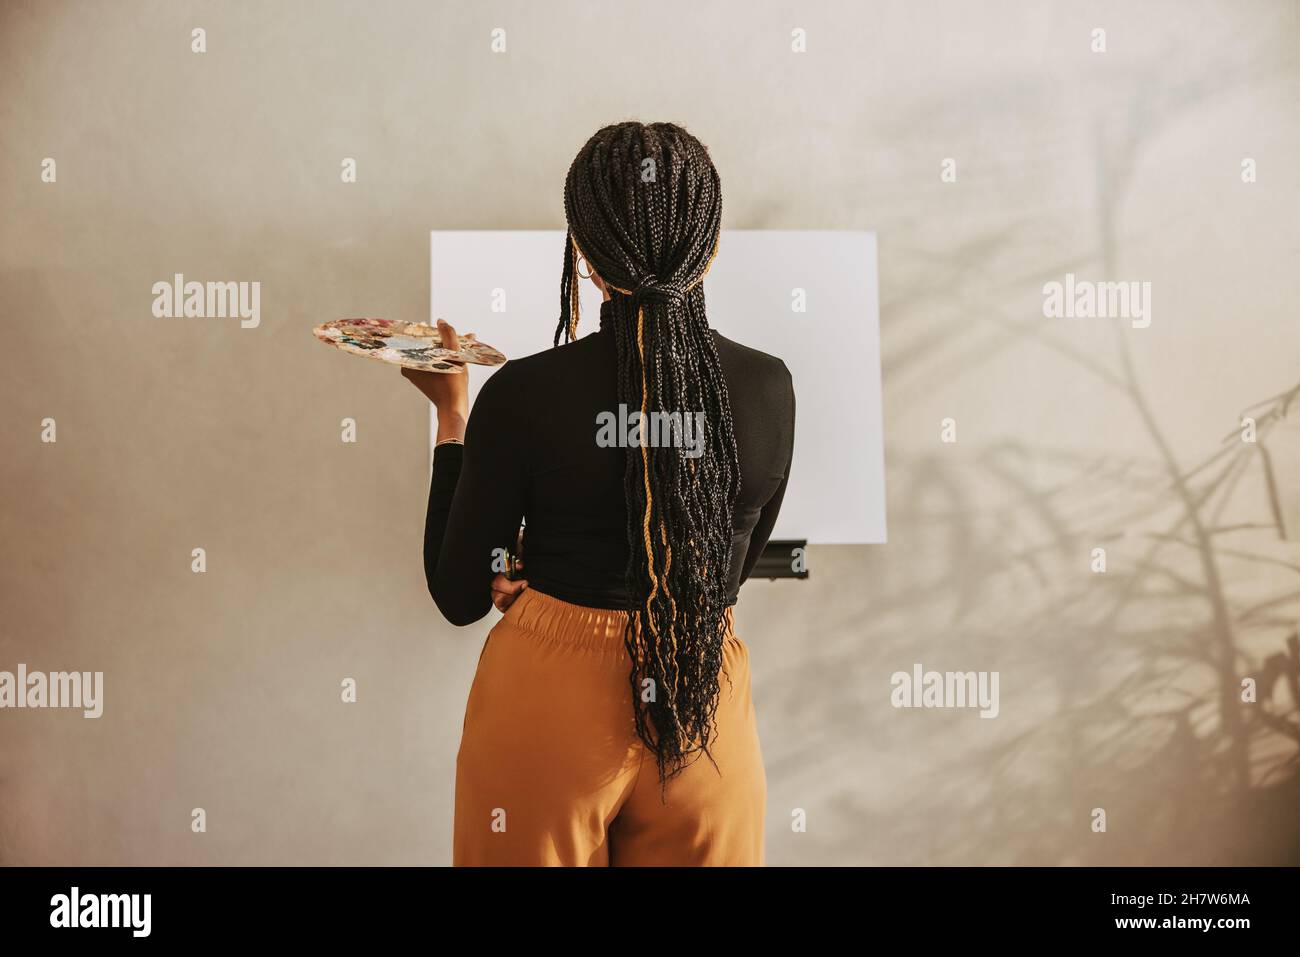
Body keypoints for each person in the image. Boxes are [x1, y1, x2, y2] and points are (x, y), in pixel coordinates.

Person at [406, 121, 795, 866]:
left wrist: (452, 415)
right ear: (710, 246)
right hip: (702, 699)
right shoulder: (769, 388)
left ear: (583, 255)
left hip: (548, 705)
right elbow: (729, 564)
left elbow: (458, 593)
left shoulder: (522, 393)